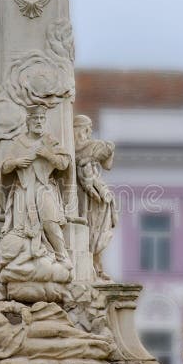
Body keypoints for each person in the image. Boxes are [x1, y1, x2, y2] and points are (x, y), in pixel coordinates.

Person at [0, 104, 72, 270]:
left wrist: (47, 154)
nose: (39, 122)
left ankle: (62, 256)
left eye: (41, 118)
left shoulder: (49, 141)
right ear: (29, 122)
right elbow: (4, 167)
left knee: (50, 221)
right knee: (21, 228)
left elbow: (64, 163)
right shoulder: (19, 142)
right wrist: (16, 162)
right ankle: (29, 257)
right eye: (35, 119)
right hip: (23, 189)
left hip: (44, 187)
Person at [73, 114, 117, 281]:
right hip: (83, 198)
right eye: (87, 128)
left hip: (95, 199)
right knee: (91, 232)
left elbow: (107, 165)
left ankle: (97, 267)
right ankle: (92, 266)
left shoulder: (89, 148)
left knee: (97, 233)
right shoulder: (79, 148)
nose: (90, 131)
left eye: (90, 128)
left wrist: (106, 150)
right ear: (81, 129)